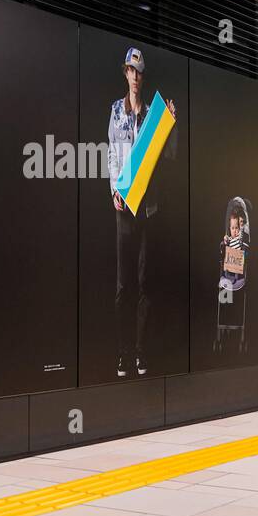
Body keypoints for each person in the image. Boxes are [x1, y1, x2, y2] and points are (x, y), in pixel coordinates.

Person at [107, 47, 177, 378]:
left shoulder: (153, 116)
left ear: (143, 77)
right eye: (130, 72)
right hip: (124, 209)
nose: (135, 77)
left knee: (145, 281)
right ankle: (121, 353)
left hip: (147, 209)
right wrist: (114, 191)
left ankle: (140, 352)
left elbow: (167, 157)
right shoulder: (115, 113)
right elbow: (111, 157)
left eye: (139, 73)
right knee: (124, 285)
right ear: (125, 74)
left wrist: (169, 126)